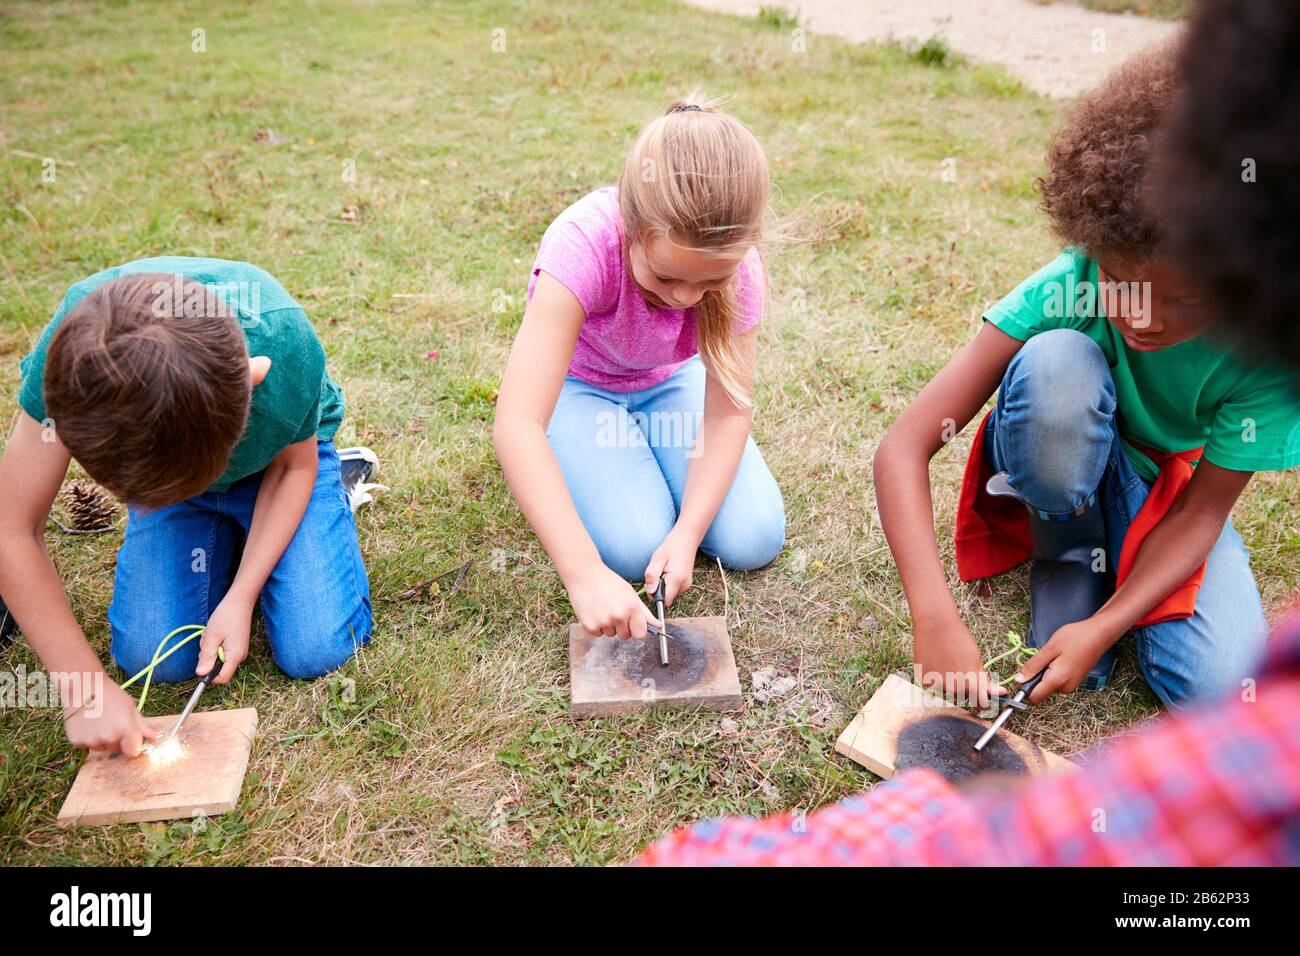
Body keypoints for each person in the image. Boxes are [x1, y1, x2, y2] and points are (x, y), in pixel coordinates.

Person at [0, 258, 373, 755]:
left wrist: (241, 597)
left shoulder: (281, 341)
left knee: (315, 649)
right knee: (154, 657)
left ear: (250, 384)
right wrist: (83, 688)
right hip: (172, 466)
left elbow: (291, 469)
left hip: (282, 469)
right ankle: (219, 527)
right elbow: (11, 528)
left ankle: (327, 493)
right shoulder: (68, 356)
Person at [493, 95, 785, 640]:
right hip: (579, 389)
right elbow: (517, 423)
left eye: (710, 283)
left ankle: (652, 475)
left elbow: (725, 415)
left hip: (670, 382)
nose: (686, 298)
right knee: (631, 545)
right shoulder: (582, 245)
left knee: (754, 537)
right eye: (667, 279)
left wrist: (689, 534)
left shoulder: (740, 267)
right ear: (631, 226)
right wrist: (581, 573)